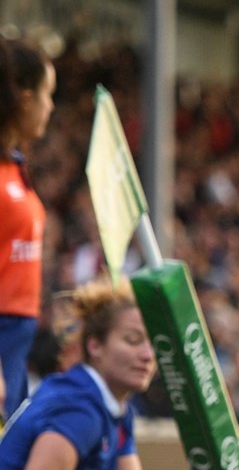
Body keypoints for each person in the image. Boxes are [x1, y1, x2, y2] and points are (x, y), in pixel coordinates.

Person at [0, 281, 155, 470]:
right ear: (95, 346)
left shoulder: (118, 410)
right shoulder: (78, 410)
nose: (148, 355)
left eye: (152, 343)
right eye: (133, 340)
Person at [0, 40, 56, 423]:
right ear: (24, 98)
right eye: (47, 94)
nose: (50, 107)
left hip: (17, 341)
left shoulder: (15, 167)